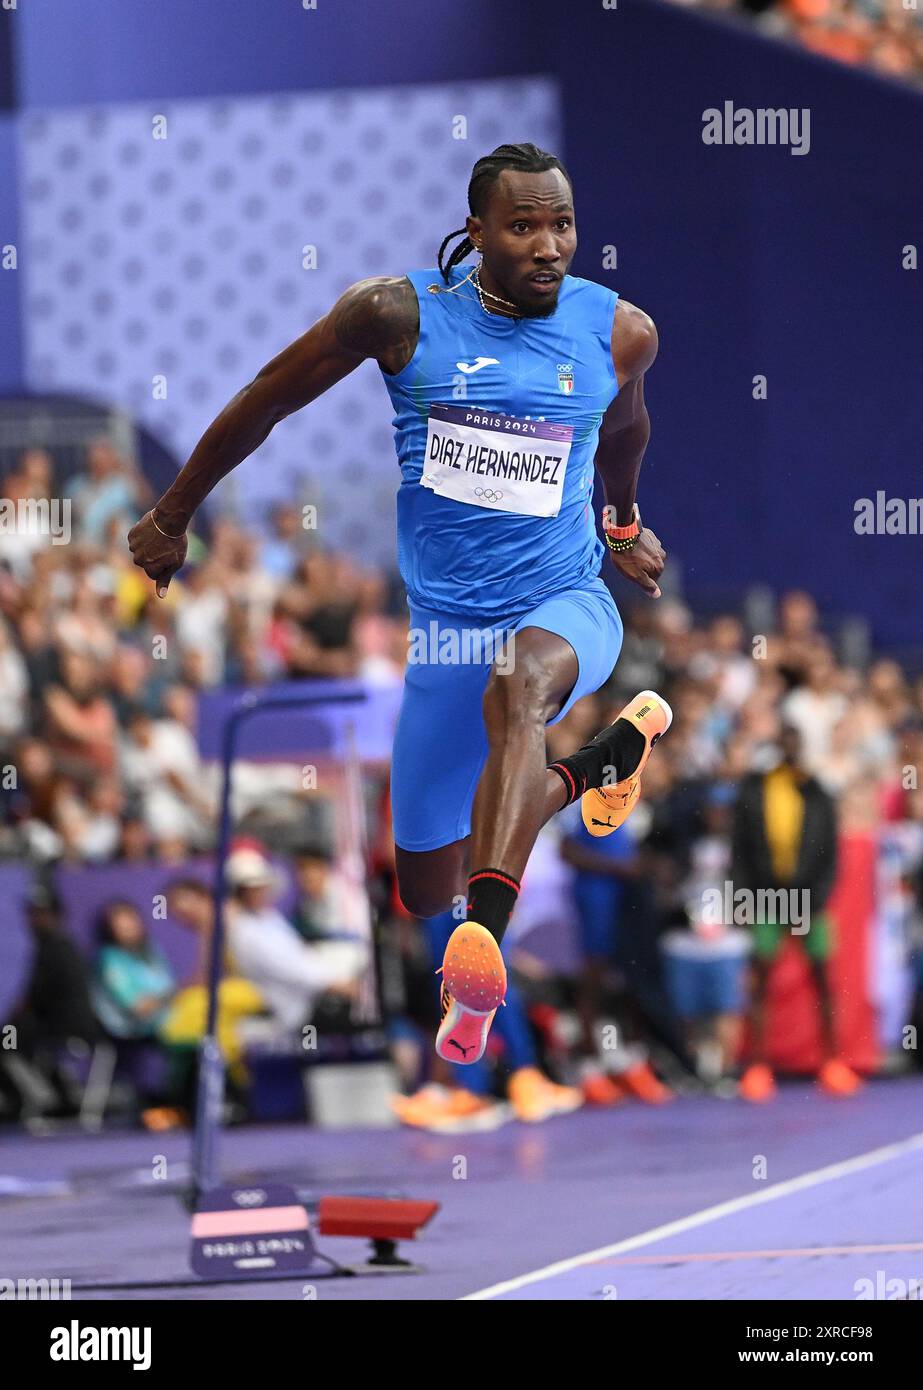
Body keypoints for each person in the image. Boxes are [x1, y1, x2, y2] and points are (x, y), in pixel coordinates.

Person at [128, 142, 671, 1068]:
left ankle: (483, 956)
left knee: (520, 692)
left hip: (565, 599)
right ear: (476, 231)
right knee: (423, 887)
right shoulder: (396, 315)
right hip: (446, 635)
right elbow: (267, 399)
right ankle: (602, 763)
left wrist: (620, 524)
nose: (548, 245)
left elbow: (623, 427)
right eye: (523, 225)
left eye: (562, 225)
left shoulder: (618, 331)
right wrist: (172, 513)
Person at [732, 724, 862, 1099]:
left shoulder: (817, 791)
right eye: (783, 742)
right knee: (761, 978)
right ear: (776, 746)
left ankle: (833, 1062)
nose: (789, 748)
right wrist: (743, 898)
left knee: (822, 977)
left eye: (794, 742)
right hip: (766, 897)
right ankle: (757, 1066)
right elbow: (739, 848)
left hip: (809, 898)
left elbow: (830, 850)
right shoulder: (755, 788)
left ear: (801, 747)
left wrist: (819, 896)